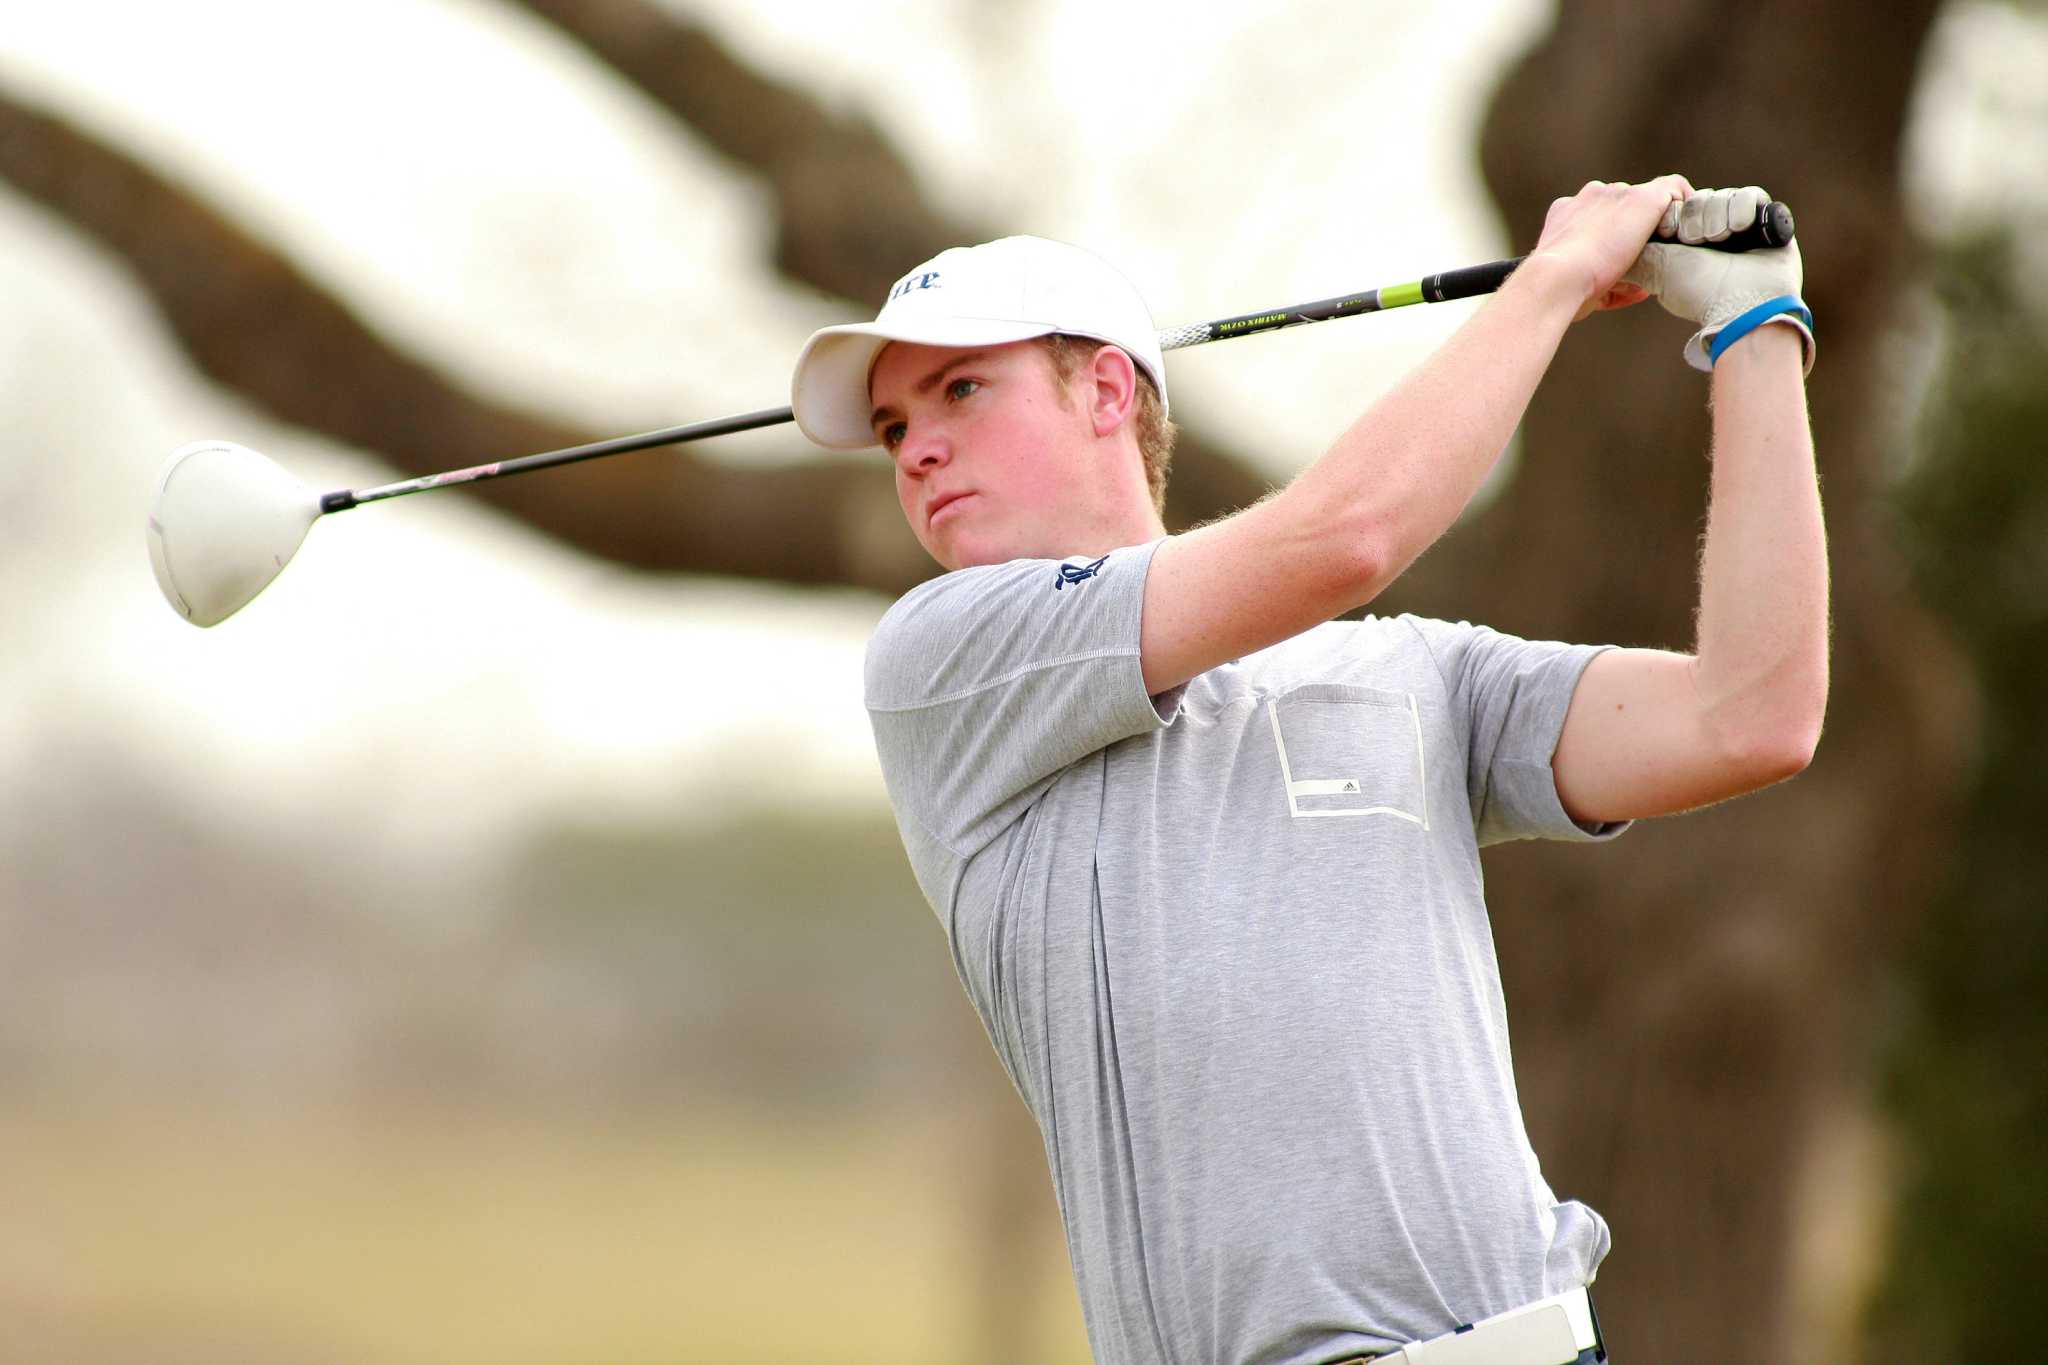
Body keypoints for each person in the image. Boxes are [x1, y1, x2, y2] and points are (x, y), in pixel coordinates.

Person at [786, 176, 1826, 1365]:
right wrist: (1548, 282)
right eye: (891, 428)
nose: (916, 449)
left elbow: (1752, 715)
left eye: (958, 391)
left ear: (1107, 388)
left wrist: (1753, 333)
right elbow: (1345, 539)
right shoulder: (943, 662)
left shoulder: (1417, 675)